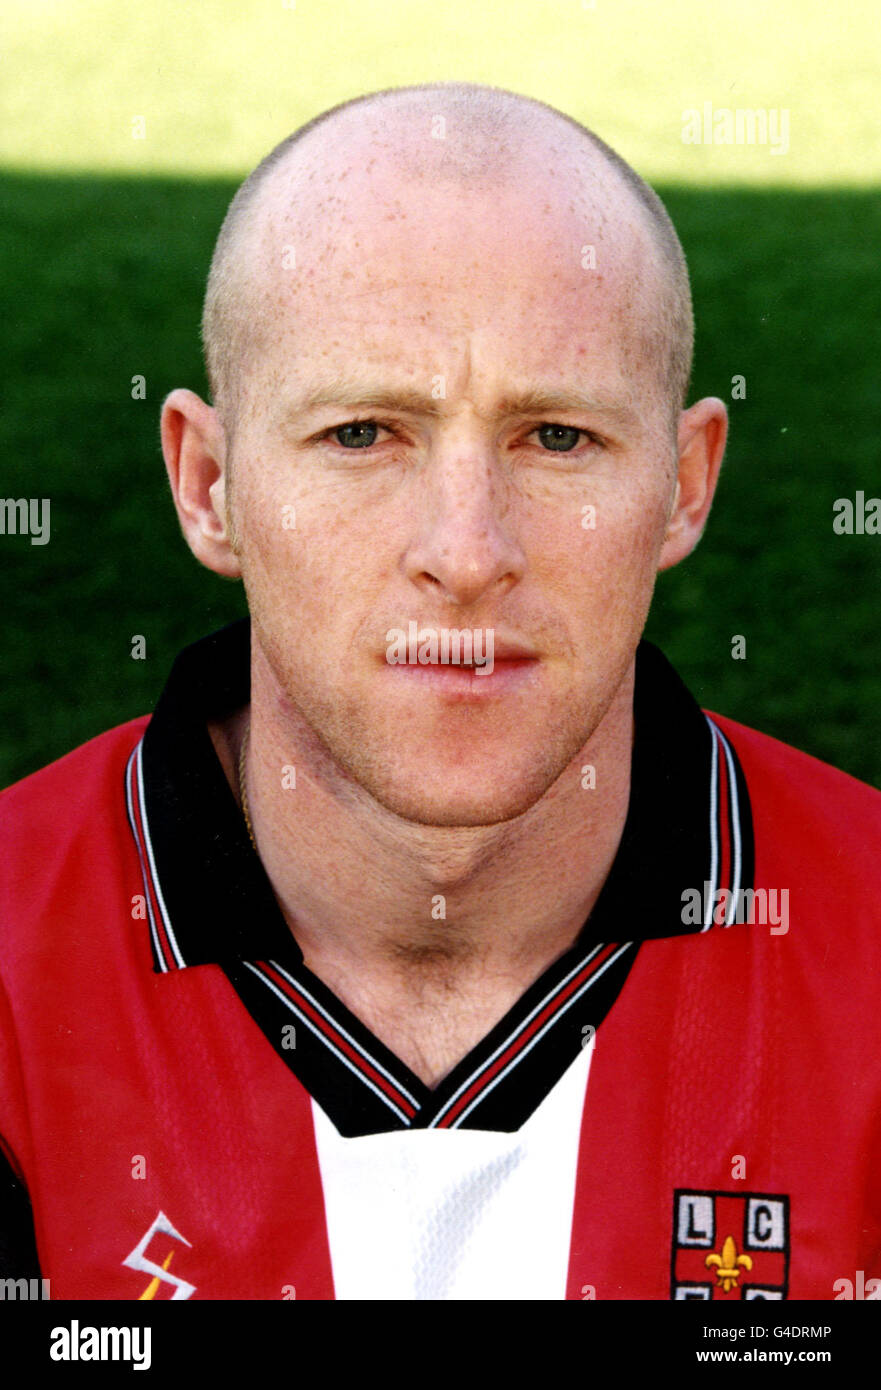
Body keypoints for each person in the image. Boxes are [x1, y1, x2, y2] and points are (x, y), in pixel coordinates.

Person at [1, 82, 879, 1302]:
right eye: (363, 434)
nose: (466, 553)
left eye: (556, 437)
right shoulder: (12, 956)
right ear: (209, 485)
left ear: (684, 486)